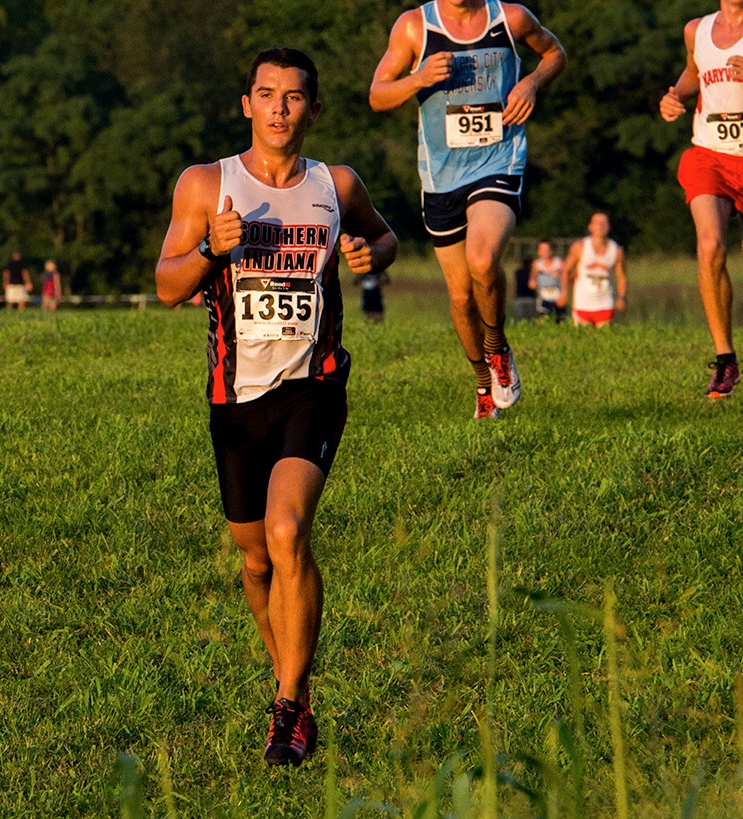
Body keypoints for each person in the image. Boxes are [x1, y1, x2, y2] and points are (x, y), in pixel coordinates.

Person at [155, 47, 397, 767]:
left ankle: (287, 706)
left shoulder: (336, 183)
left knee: (289, 530)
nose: (280, 108)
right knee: (256, 561)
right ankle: (297, 687)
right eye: (267, 95)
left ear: (314, 110)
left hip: (312, 385)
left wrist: (369, 256)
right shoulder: (207, 183)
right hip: (234, 398)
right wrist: (210, 249)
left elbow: (381, 236)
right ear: (247, 105)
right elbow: (169, 284)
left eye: (294, 97)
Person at [369, 0, 566, 419]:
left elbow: (554, 53)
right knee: (460, 295)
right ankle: (482, 382)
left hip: (499, 160)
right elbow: (378, 94)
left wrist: (531, 83)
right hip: (441, 177)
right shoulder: (413, 27)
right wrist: (418, 78)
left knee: (483, 258)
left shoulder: (510, 18)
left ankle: (497, 348)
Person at [660, 1, 743, 397]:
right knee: (710, 246)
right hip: (710, 154)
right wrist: (674, 95)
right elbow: (694, 75)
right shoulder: (696, 29)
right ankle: (725, 361)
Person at [558, 213, 627, 328]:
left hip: (605, 304)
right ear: (590, 227)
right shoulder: (580, 247)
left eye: (604, 223)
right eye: (597, 223)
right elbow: (566, 270)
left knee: (604, 341)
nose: (600, 226)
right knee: (584, 341)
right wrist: (564, 292)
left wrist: (621, 297)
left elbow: (622, 276)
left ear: (609, 227)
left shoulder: (616, 250)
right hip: (583, 305)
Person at [530, 239, 565, 322]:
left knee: (560, 321)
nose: (545, 252)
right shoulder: (537, 264)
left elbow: (568, 278)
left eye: (547, 249)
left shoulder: (559, 263)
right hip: (543, 299)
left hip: (558, 298)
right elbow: (531, 282)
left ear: (551, 250)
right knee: (543, 320)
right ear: (539, 251)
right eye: (542, 250)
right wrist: (534, 282)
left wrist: (559, 275)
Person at [511, 253, 536, 321]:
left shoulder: (517, 272)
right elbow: (533, 285)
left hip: (519, 298)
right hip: (530, 298)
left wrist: (514, 296)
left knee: (519, 320)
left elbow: (514, 285)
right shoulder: (532, 272)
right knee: (530, 320)